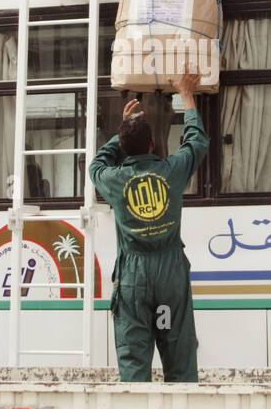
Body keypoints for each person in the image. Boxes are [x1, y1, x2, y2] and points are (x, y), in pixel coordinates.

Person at [89, 73, 208, 382]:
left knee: (134, 358)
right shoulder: (171, 172)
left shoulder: (115, 179)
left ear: (124, 149)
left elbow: (96, 165)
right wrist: (187, 95)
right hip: (169, 272)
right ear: (154, 144)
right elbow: (196, 142)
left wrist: (121, 132)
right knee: (177, 353)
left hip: (133, 276)